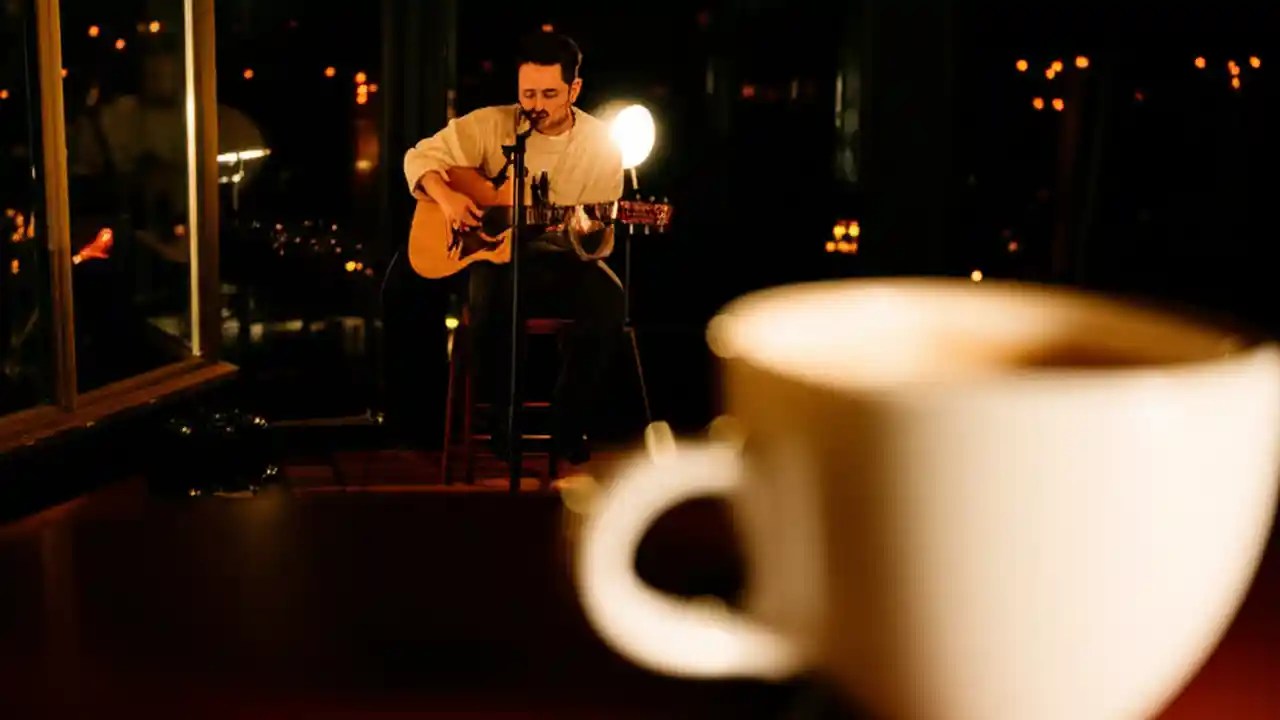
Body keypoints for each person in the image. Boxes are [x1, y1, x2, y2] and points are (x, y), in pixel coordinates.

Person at [401, 31, 625, 467]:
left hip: (563, 261)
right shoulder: (491, 124)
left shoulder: (600, 145)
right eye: (527, 93)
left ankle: (567, 422)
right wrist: (448, 199)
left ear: (573, 90)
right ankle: (504, 423)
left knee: (609, 301)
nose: (536, 104)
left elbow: (597, 241)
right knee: (492, 301)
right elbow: (418, 158)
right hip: (499, 255)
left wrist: (580, 229)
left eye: (549, 93)